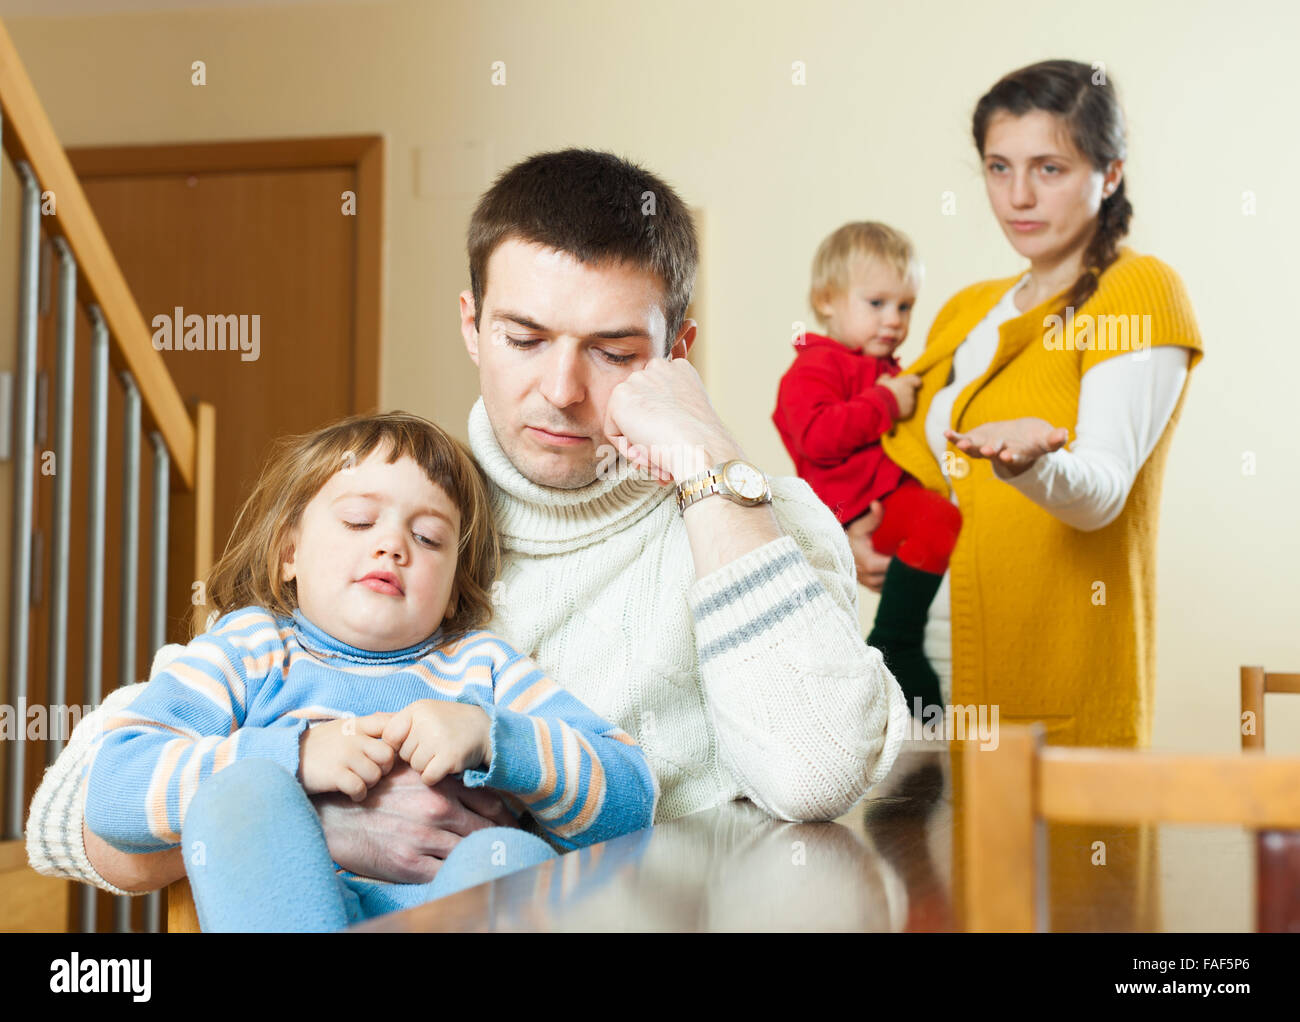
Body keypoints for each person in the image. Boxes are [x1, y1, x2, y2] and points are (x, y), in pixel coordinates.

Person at [28, 147, 909, 901]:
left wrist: (711, 466)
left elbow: (818, 771)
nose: (561, 392)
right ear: (471, 324)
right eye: (524, 338)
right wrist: (322, 820)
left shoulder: (761, 516)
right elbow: (69, 810)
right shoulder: (391, 517)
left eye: (613, 352)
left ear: (678, 352)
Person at [81, 411, 657, 931]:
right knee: (245, 794)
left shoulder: (482, 667)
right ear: (289, 554)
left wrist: (490, 737)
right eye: (359, 521)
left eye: (428, 537)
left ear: (455, 592)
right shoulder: (248, 649)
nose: (392, 546)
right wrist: (295, 756)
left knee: (511, 858)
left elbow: (632, 798)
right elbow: (113, 790)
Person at [848, 60, 1203, 749]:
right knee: (907, 857)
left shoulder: (1137, 291)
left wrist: (1025, 464)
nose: (1018, 197)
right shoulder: (967, 308)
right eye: (998, 167)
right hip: (917, 665)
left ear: (1110, 172)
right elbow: (911, 464)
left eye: (1049, 168)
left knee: (1050, 860)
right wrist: (860, 527)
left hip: (1044, 681)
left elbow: (1100, 493)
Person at [773, 222, 961, 717]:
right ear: (826, 300)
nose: (893, 320)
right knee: (940, 521)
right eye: (876, 304)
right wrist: (884, 403)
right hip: (853, 506)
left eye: (904, 307)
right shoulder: (814, 367)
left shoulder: (888, 369)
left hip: (879, 503)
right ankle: (895, 639)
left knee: (943, 524)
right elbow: (817, 437)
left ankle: (898, 641)